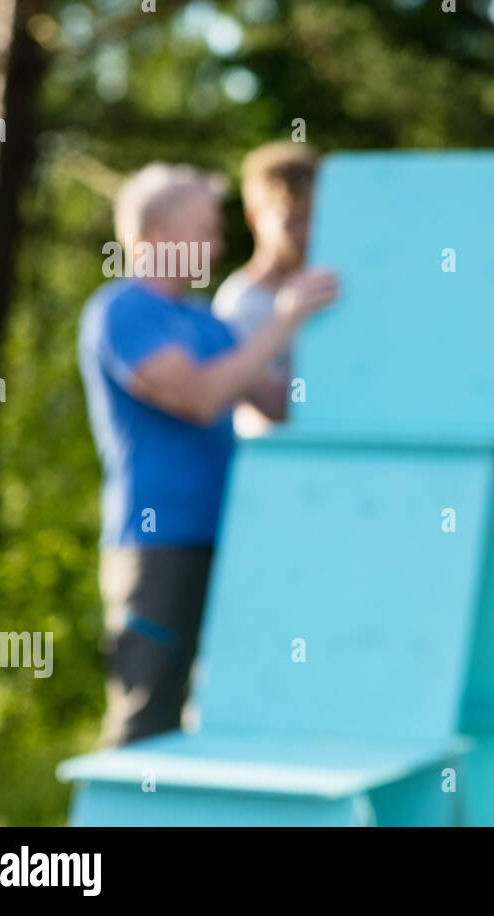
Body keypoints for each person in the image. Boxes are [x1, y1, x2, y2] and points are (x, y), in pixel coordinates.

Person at [77, 162, 338, 746]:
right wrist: (283, 319)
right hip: (158, 546)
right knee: (148, 714)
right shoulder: (120, 310)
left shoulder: (203, 322)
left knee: (214, 713)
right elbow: (200, 397)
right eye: (205, 229)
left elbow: (274, 402)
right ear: (157, 237)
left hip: (226, 538)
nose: (219, 246)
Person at [212, 142, 318, 437]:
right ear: (255, 218)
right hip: (273, 466)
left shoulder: (325, 290)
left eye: (314, 218)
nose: (307, 233)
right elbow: (273, 405)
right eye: (293, 220)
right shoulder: (239, 303)